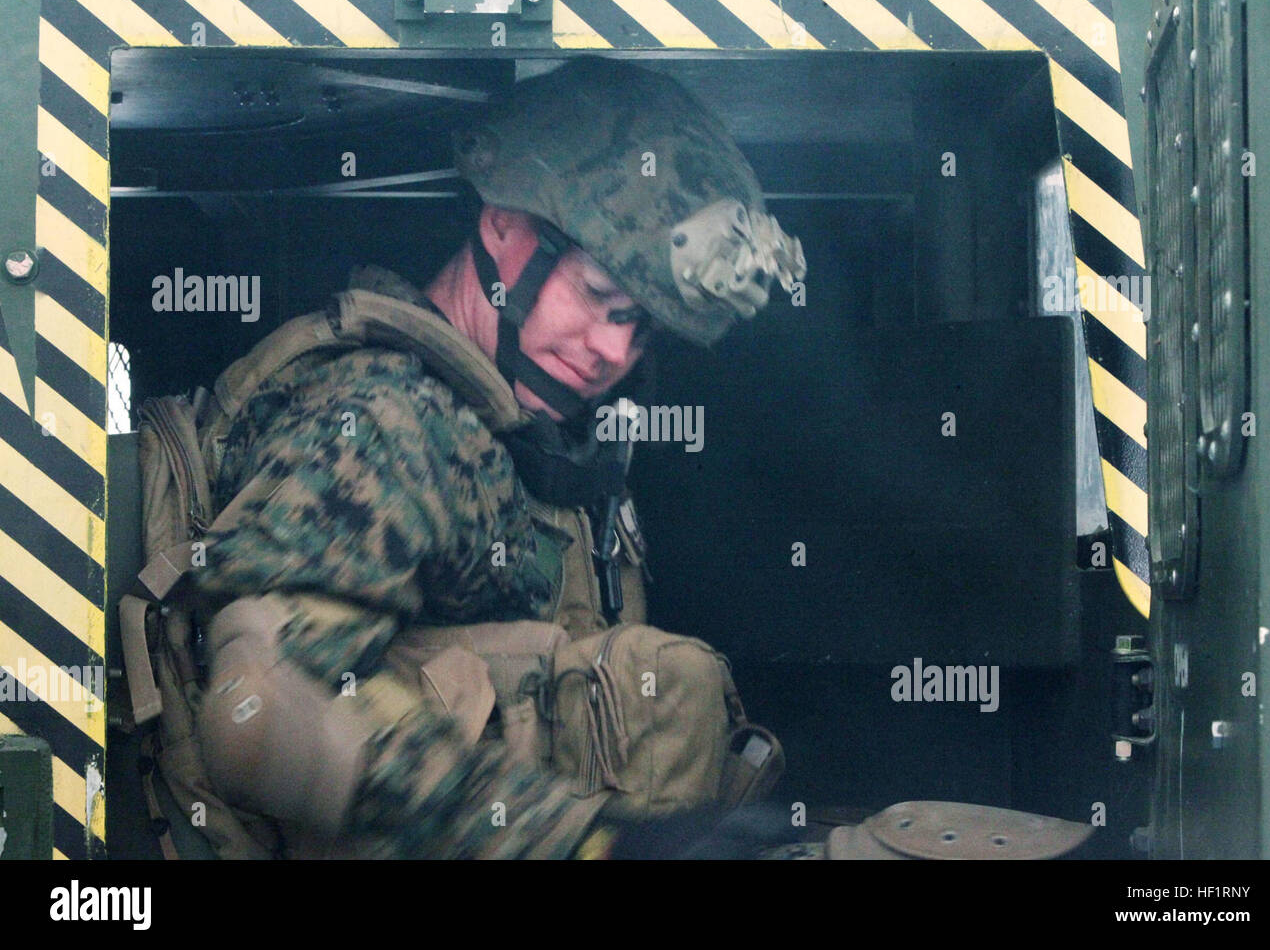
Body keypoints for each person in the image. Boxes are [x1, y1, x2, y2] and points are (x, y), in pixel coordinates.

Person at [185, 56, 807, 859]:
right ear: (503, 226)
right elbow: (265, 709)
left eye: (642, 326)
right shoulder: (384, 419)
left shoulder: (539, 438)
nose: (613, 350)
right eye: (598, 298)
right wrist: (588, 847)